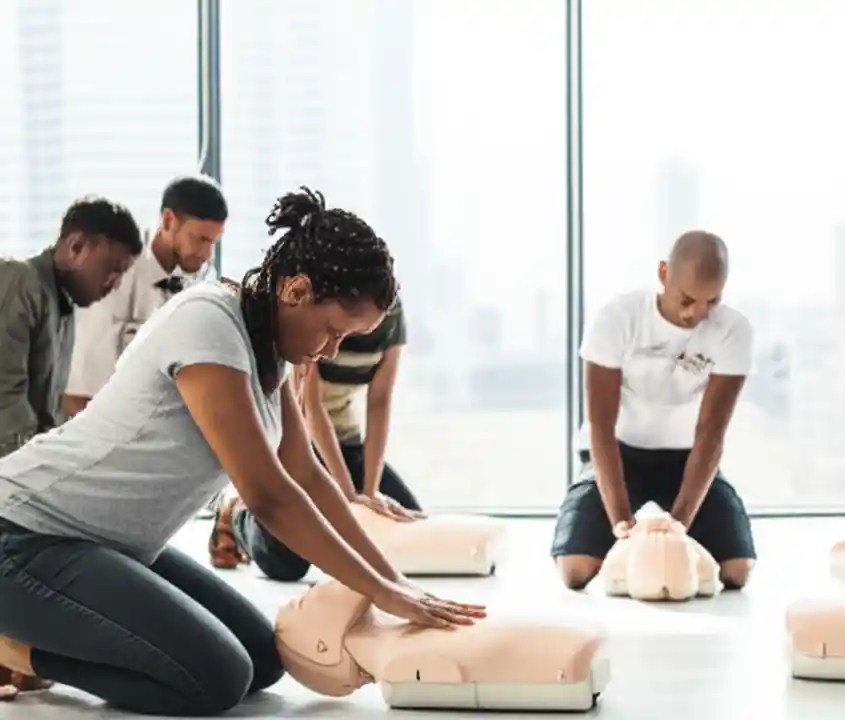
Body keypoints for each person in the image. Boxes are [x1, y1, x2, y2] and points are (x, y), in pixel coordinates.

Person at [0, 187, 484, 715]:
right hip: (25, 535)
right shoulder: (209, 321)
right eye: (333, 331)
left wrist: (395, 583)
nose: (331, 351)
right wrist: (382, 592)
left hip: (109, 546)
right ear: (296, 291)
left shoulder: (271, 350)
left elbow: (308, 475)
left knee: (263, 656)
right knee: (215, 678)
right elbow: (269, 496)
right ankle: (20, 651)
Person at [551, 230, 756, 590]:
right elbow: (601, 426)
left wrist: (678, 528)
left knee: (737, 572)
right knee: (575, 571)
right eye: (688, 299)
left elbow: (711, 433)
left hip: (687, 458)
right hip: (620, 451)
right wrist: (621, 526)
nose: (697, 313)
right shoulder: (618, 318)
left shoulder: (734, 330)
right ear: (664, 274)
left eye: (712, 301)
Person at [209, 299, 422, 579]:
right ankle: (236, 510)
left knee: (409, 524)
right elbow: (311, 408)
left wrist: (370, 492)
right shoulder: (328, 313)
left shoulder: (392, 317)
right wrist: (347, 495)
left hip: (347, 441)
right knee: (287, 565)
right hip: (305, 444)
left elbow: (379, 402)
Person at [63, 175, 227, 418]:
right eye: (200, 239)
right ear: (169, 221)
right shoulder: (112, 276)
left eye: (214, 242)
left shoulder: (200, 279)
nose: (207, 254)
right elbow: (78, 395)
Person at [0, 197, 142, 459]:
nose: (115, 284)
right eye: (113, 269)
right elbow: (6, 404)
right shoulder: (23, 281)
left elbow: (46, 418)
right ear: (76, 246)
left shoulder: (62, 305)